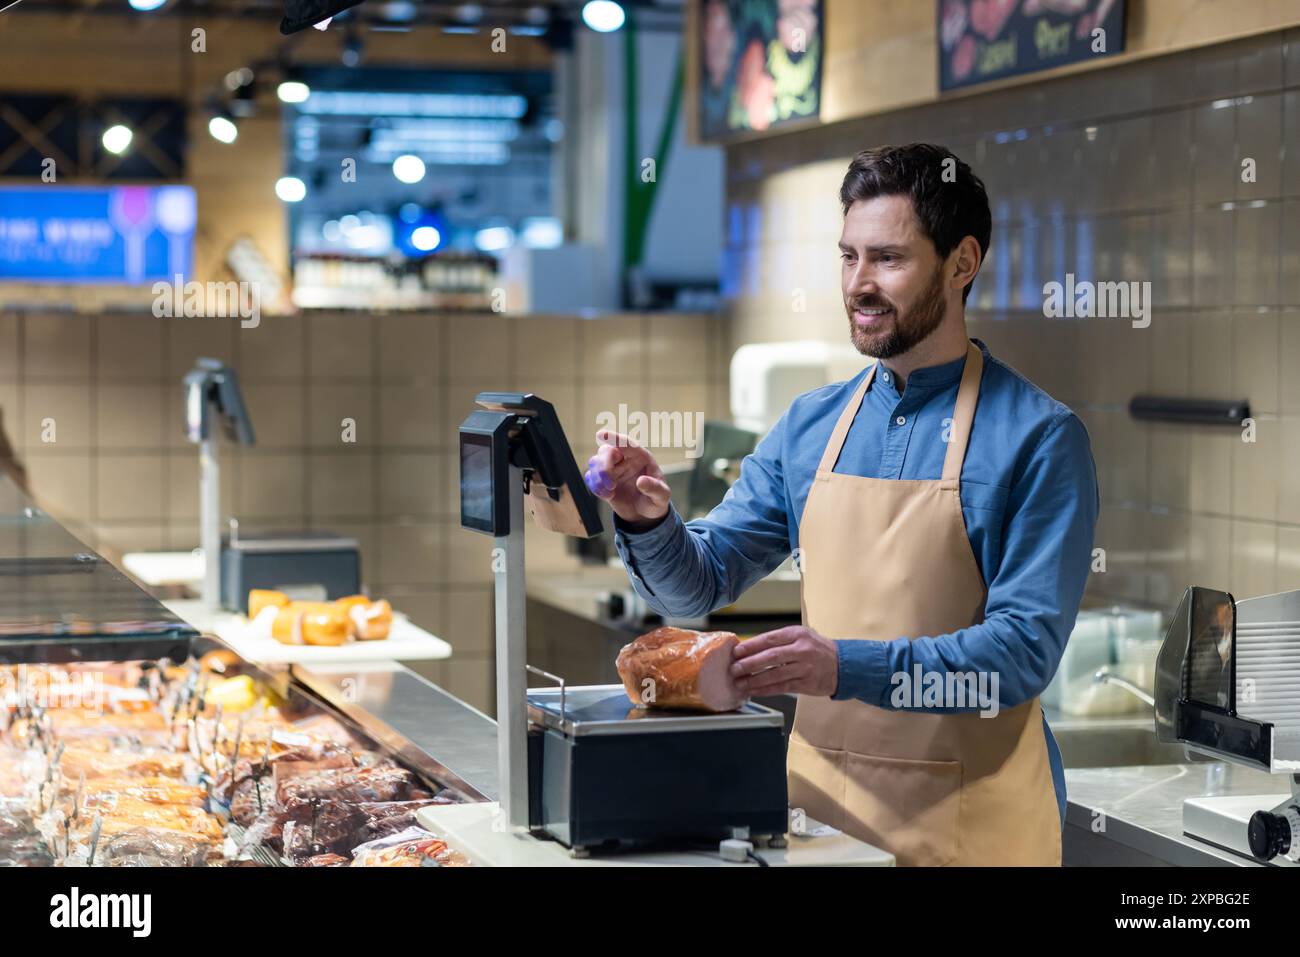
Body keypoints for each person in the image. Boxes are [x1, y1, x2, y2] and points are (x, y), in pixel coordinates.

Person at [585, 143, 1099, 866]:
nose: (859, 283)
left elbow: (1018, 656)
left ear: (961, 263)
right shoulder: (812, 425)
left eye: (887, 258)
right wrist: (647, 519)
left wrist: (842, 667)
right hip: (818, 828)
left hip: (972, 831)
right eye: (848, 256)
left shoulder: (1039, 439)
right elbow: (695, 587)